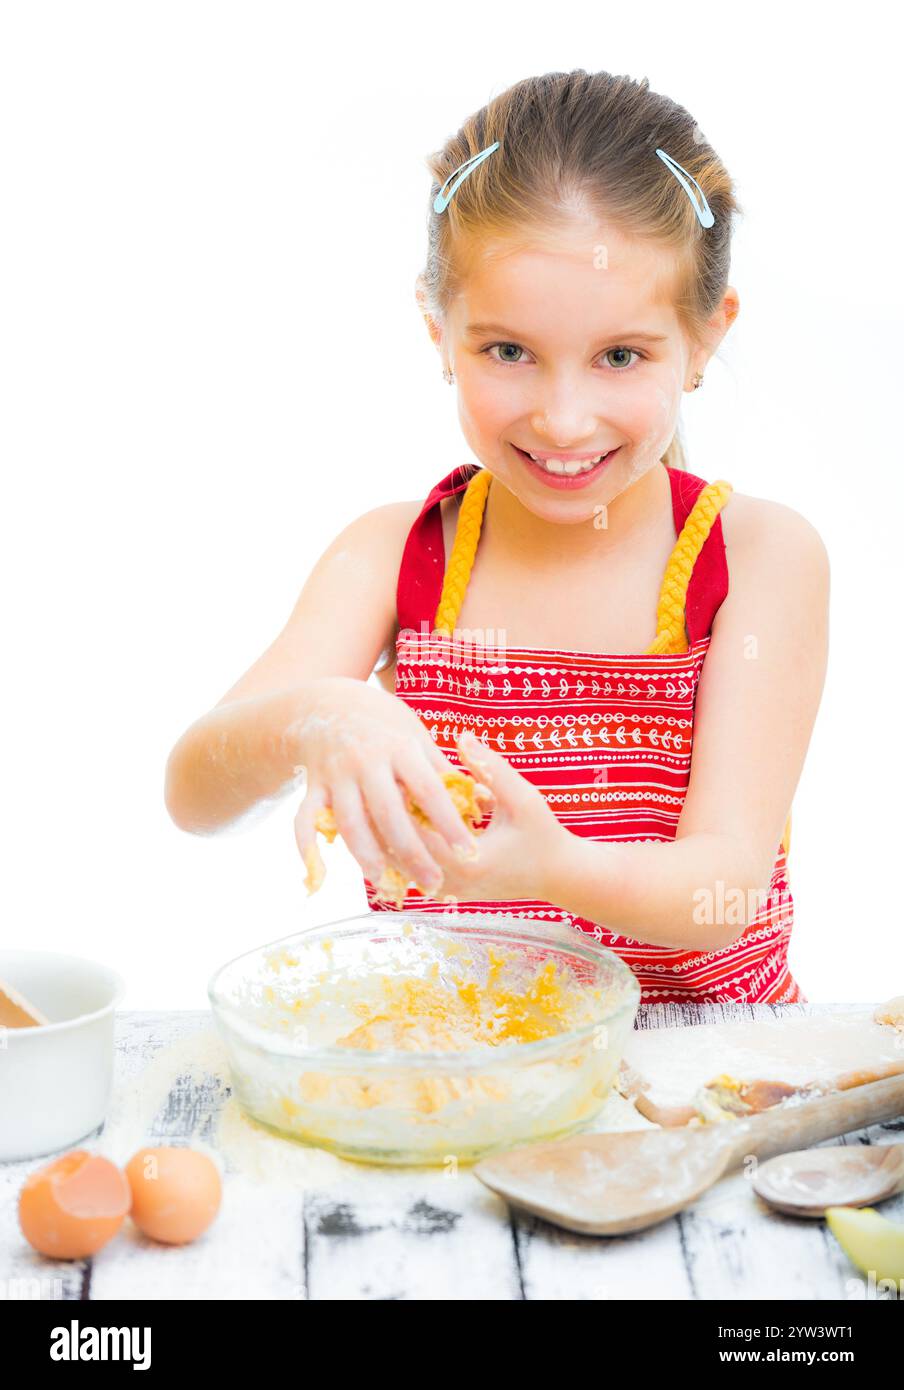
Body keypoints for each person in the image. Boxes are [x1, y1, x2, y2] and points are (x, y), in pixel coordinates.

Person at [165, 70, 829, 1005]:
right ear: (440, 331)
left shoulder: (758, 557)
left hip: (709, 1077)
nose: (562, 419)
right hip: (462, 1074)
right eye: (507, 351)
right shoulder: (394, 555)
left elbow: (723, 890)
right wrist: (321, 713)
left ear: (704, 339)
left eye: (621, 356)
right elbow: (195, 793)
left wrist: (552, 866)